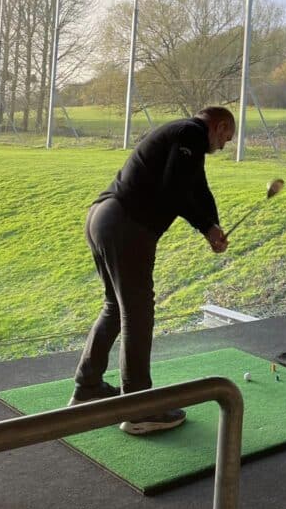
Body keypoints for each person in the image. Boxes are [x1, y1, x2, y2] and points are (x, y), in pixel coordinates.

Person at [69, 106, 235, 435]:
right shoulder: (190, 133)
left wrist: (212, 226)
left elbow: (198, 189)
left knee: (116, 308)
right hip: (126, 224)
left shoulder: (185, 137)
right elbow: (175, 188)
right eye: (226, 138)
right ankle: (139, 409)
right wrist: (206, 226)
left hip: (103, 217)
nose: (224, 145)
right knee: (138, 314)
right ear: (217, 127)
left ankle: (87, 388)